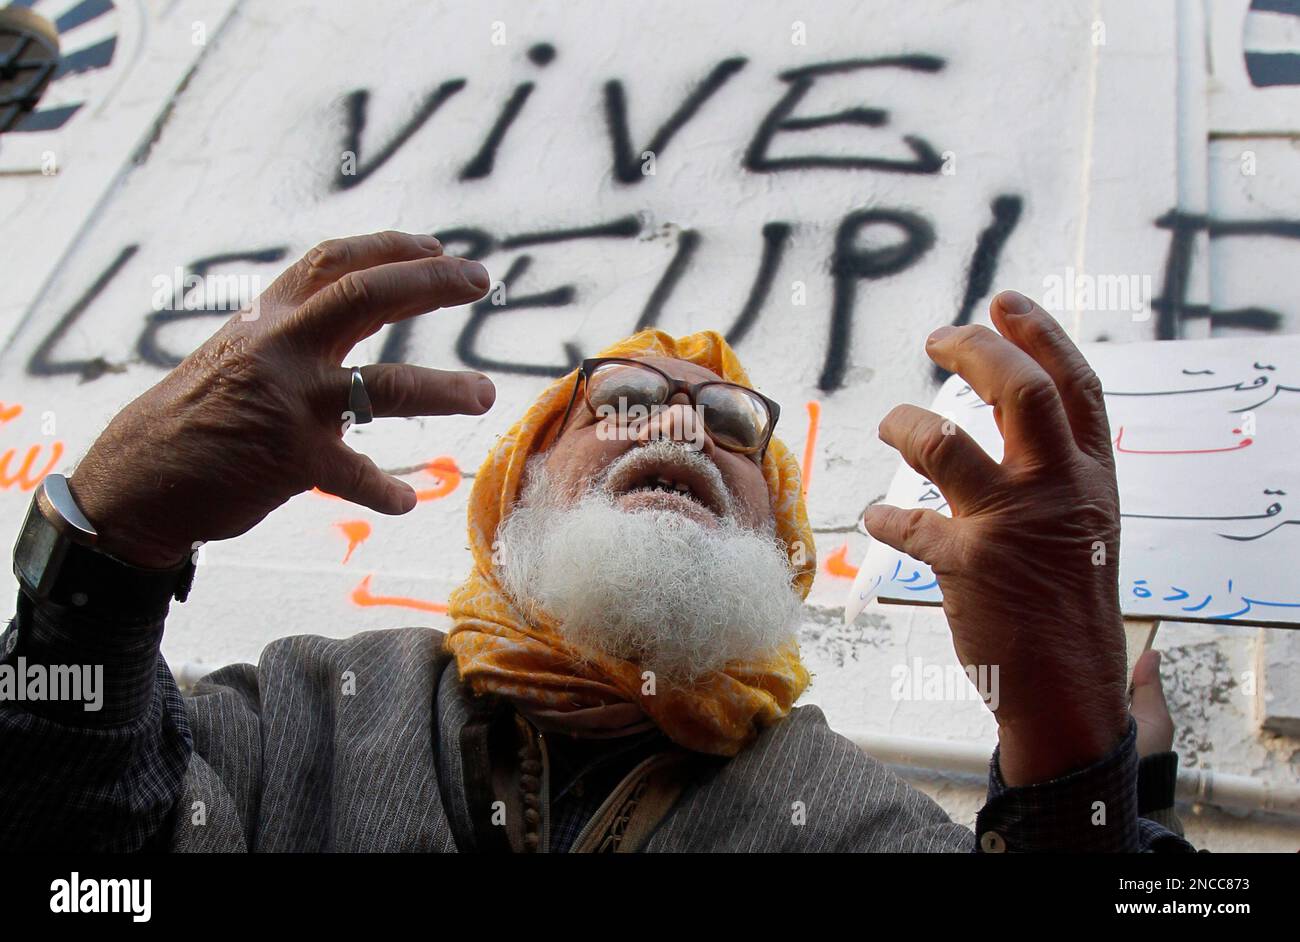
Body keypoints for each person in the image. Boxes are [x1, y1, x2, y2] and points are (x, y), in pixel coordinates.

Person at [2, 231, 1192, 852]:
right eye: (619, 401)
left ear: (779, 546)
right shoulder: (290, 722)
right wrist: (105, 541)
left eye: (728, 421)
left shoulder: (856, 822)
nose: (678, 419)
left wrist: (1069, 753)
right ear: (511, 506)